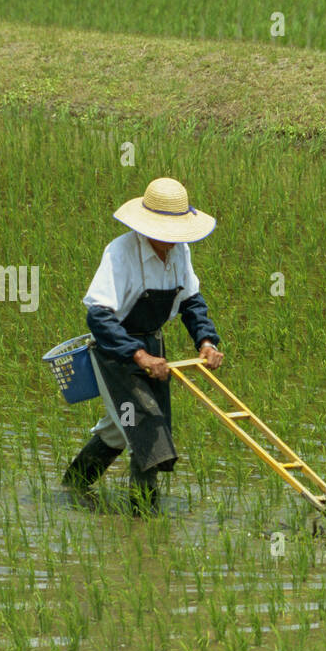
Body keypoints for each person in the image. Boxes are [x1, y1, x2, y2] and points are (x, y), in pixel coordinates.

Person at [62, 177, 225, 514]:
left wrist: (206, 341)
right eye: (165, 233)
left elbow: (192, 302)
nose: (171, 242)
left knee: (121, 429)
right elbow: (99, 316)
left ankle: (73, 485)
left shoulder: (180, 252)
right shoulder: (120, 252)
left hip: (153, 350)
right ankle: (144, 519)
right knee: (144, 426)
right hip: (115, 355)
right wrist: (139, 356)